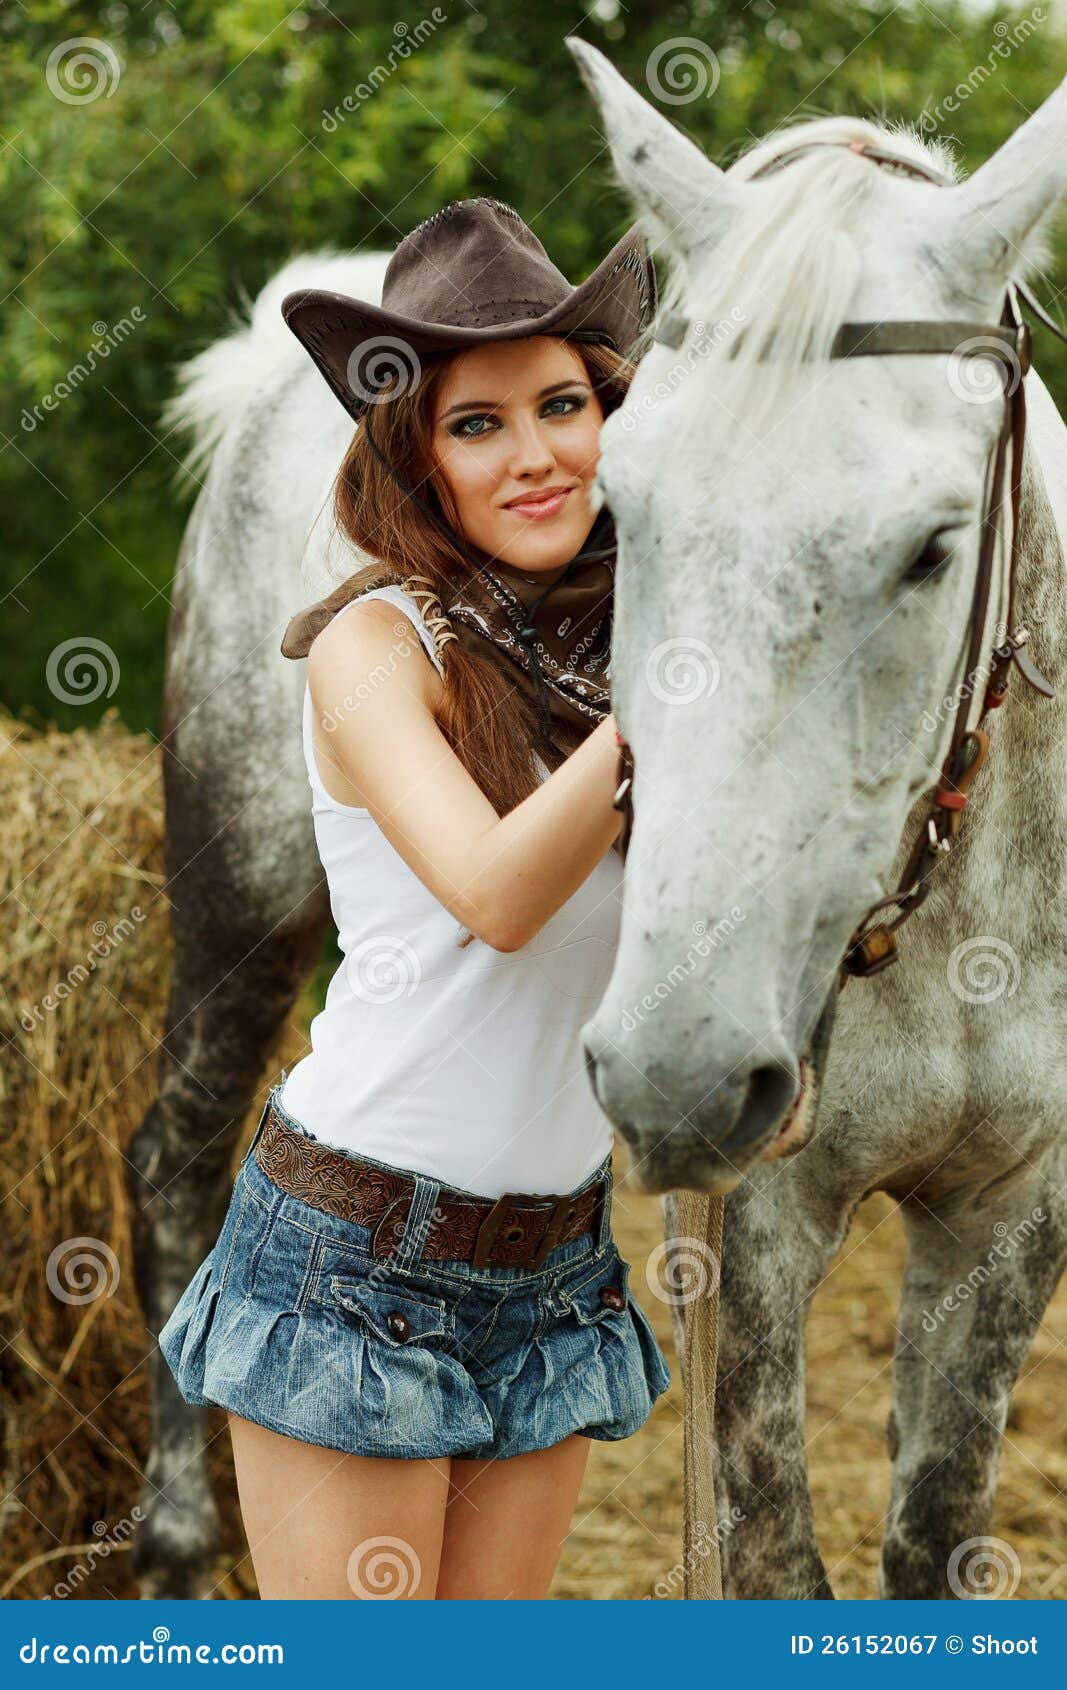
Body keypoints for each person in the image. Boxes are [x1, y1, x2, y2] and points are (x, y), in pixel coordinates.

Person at [159, 197, 672, 1601]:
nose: (536, 454)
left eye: (563, 403)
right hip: (352, 1260)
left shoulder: (627, 651)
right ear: (416, 456)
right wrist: (676, 702)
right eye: (478, 423)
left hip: (557, 1260)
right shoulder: (375, 649)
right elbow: (498, 894)